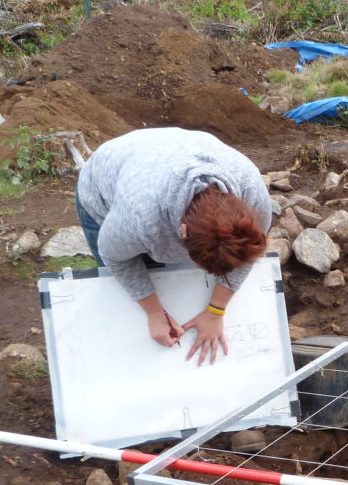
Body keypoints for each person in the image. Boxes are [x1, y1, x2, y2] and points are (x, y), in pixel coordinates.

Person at [76, 127, 271, 365]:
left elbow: (243, 256)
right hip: (106, 176)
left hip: (169, 153)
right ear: (183, 230)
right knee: (126, 297)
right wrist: (154, 313)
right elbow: (115, 257)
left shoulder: (254, 202)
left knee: (169, 281)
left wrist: (215, 311)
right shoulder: (142, 217)